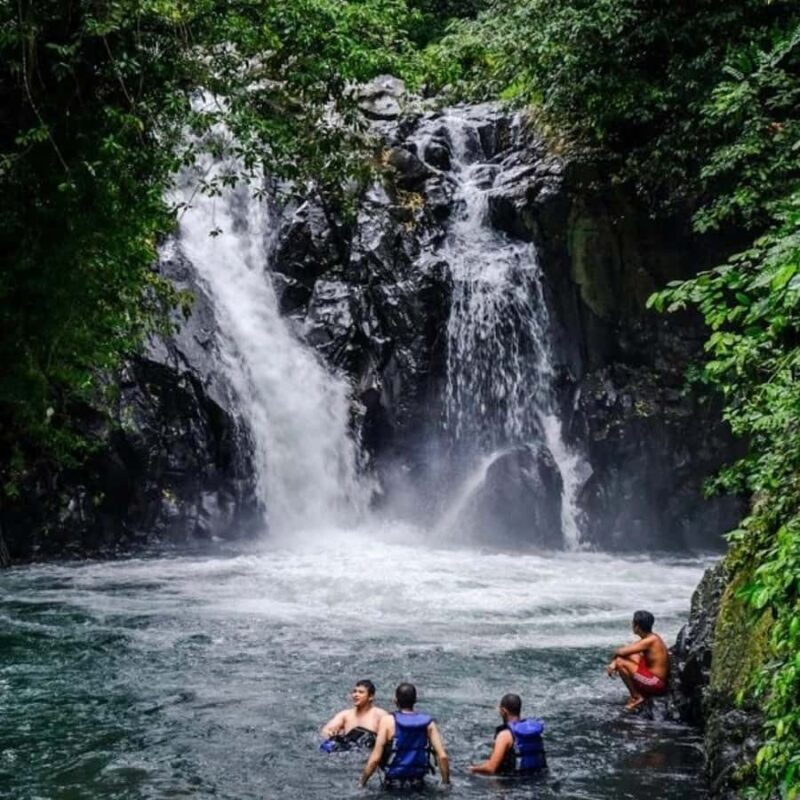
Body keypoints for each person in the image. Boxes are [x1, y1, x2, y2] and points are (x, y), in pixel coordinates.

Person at [360, 682, 450, 788]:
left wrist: (362, 782)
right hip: (419, 783)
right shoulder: (428, 723)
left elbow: (375, 759)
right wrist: (446, 782)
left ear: (395, 701)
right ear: (415, 701)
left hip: (392, 784)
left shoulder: (388, 721)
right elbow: (442, 757)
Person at [468, 693, 547, 776]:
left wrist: (472, 769)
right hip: (537, 779)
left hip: (513, 784)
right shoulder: (533, 731)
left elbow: (490, 769)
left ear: (503, 711)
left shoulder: (504, 735)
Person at [607, 609, 669, 711]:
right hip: (654, 678)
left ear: (637, 626)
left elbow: (620, 652)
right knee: (632, 655)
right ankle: (639, 694)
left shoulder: (649, 641)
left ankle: (637, 697)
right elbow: (627, 650)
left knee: (620, 662)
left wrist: (614, 663)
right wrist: (614, 661)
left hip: (655, 683)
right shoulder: (653, 637)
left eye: (633, 623)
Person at [320, 680, 388, 752]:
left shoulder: (380, 715)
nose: (356, 695)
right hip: (347, 752)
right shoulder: (345, 715)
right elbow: (325, 730)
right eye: (354, 691)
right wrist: (329, 733)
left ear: (370, 697)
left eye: (361, 692)